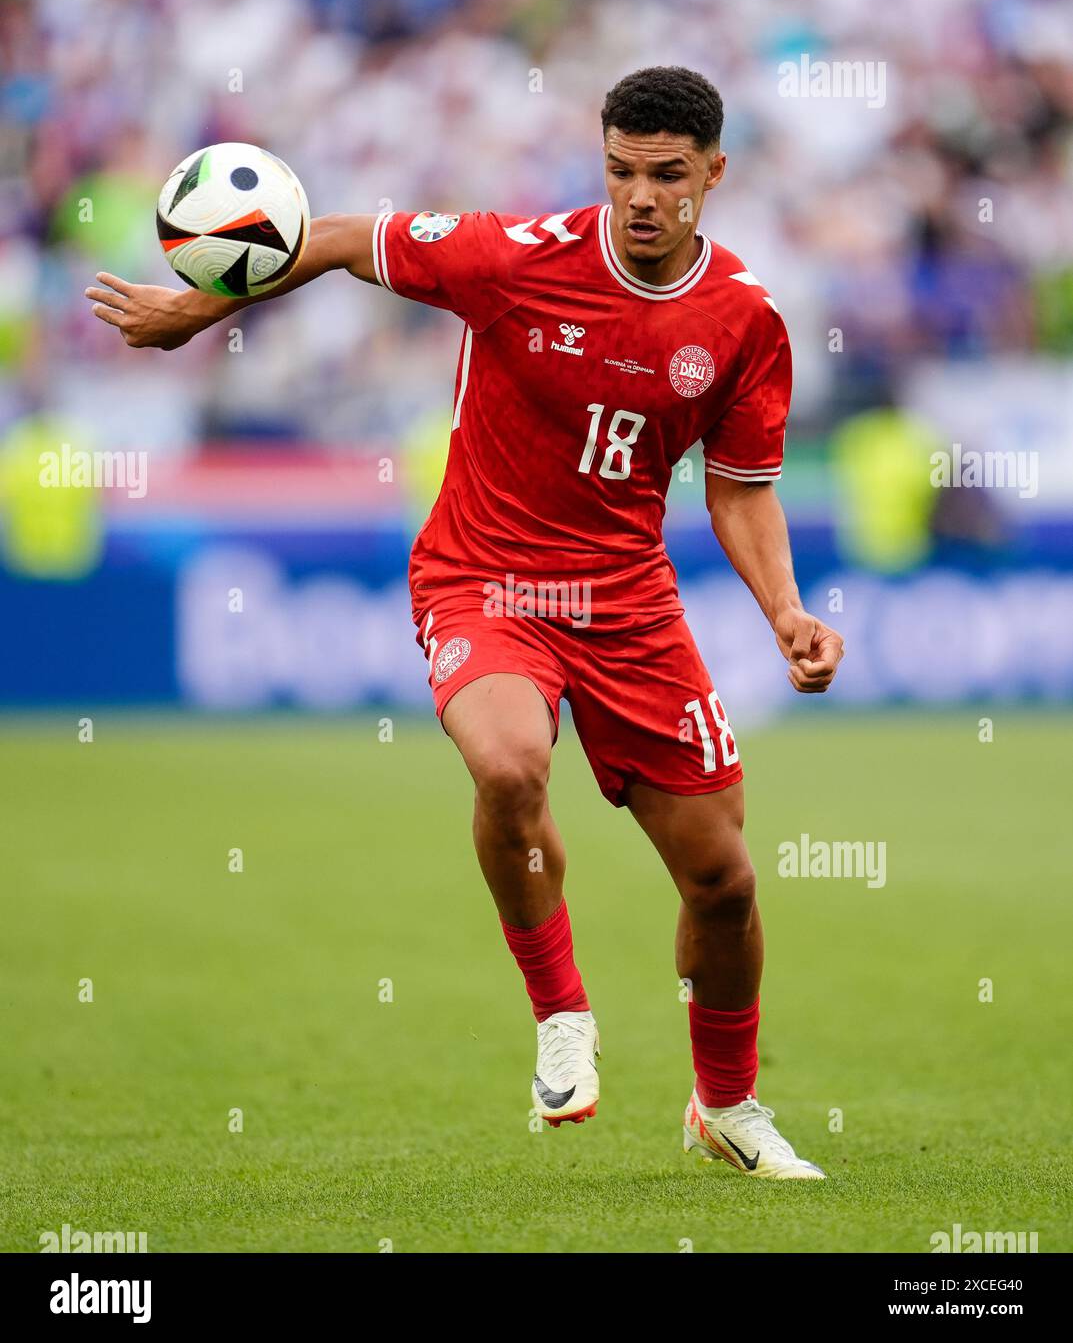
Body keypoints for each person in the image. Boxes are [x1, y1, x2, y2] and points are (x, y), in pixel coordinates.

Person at [87, 65, 844, 1179]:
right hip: (483, 577)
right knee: (506, 765)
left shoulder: (742, 318)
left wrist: (784, 610)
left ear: (712, 175)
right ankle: (561, 1013)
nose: (639, 195)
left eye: (666, 176)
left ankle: (723, 1105)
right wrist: (199, 310)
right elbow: (343, 235)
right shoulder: (512, 259)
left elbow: (737, 486)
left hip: (627, 599)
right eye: (620, 170)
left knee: (722, 878)